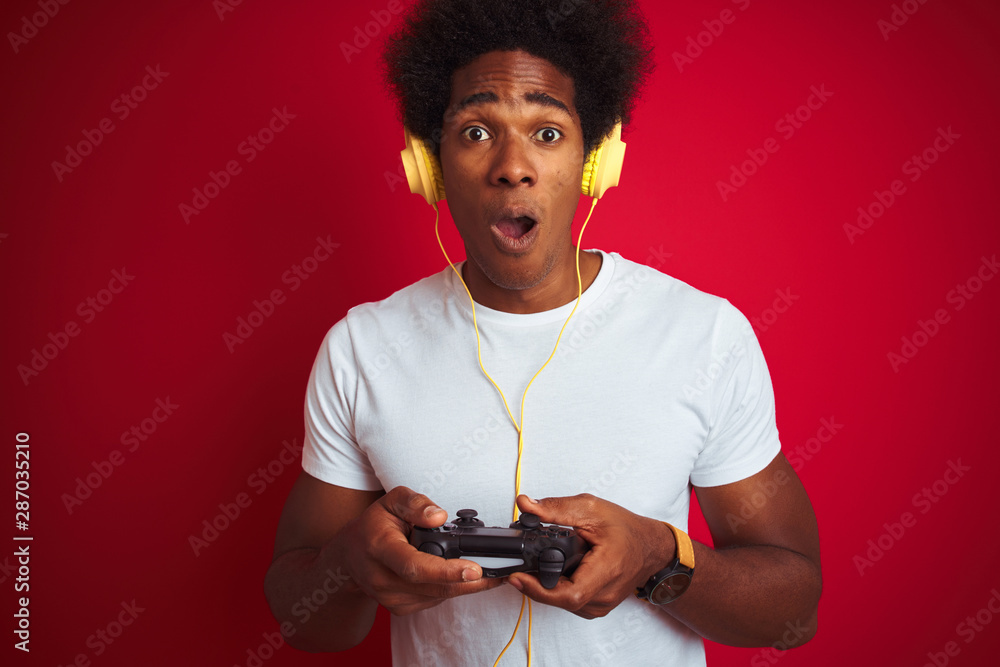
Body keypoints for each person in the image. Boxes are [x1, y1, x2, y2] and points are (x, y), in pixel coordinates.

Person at [264, 1, 821, 664]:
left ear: (594, 162)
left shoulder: (704, 336)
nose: (513, 166)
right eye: (476, 131)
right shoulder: (360, 348)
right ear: (430, 167)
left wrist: (658, 557)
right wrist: (351, 563)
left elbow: (794, 611)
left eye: (548, 133)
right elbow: (304, 621)